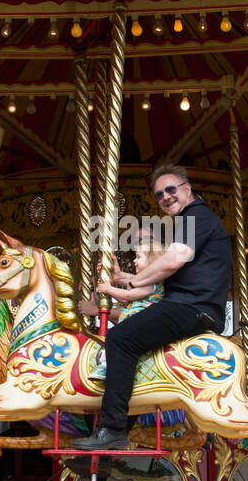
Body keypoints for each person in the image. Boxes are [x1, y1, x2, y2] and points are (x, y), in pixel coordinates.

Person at [76, 165, 231, 450]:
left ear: (187, 188)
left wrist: (130, 286)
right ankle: (109, 445)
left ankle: (112, 429)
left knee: (120, 338)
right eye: (159, 194)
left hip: (191, 306)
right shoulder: (191, 220)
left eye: (171, 189)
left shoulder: (195, 217)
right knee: (137, 353)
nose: (166, 197)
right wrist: (124, 278)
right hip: (193, 306)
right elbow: (161, 274)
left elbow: (171, 262)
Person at [80, 231, 166, 382]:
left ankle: (106, 367)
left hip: (140, 322)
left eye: (139, 257)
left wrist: (108, 289)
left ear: (152, 261)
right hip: (131, 318)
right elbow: (121, 278)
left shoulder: (150, 283)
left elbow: (126, 296)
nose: (134, 261)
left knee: (115, 339)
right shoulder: (145, 278)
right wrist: (114, 271)